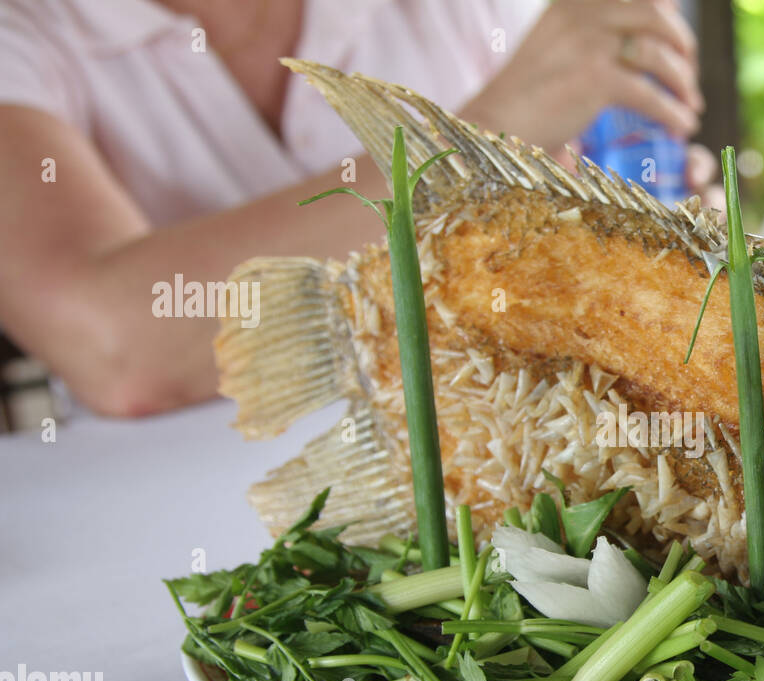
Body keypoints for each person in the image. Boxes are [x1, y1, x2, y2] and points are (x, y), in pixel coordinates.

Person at [0, 0, 715, 418]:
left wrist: (643, 220)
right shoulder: (27, 31)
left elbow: (586, 197)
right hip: (163, 556)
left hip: (508, 473)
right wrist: (478, 141)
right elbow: (117, 349)